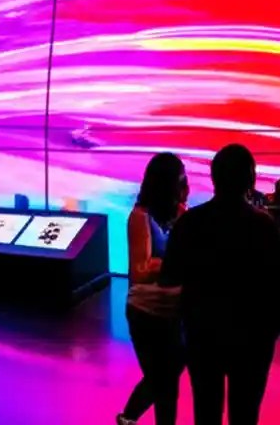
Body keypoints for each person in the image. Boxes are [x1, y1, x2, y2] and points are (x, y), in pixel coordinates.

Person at [159, 144, 280, 425]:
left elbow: (169, 278)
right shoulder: (263, 225)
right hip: (252, 337)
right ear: (251, 179)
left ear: (214, 178)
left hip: (202, 334)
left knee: (206, 411)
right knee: (246, 413)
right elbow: (278, 284)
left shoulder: (189, 223)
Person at [118, 153, 187, 425]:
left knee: (167, 381)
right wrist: (177, 261)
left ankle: (127, 418)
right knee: (164, 381)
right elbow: (140, 271)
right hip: (145, 312)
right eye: (180, 177)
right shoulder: (140, 217)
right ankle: (128, 417)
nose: (185, 183)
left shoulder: (182, 214)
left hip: (175, 311)